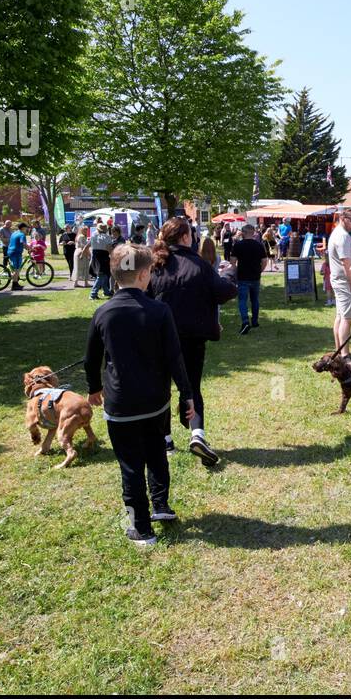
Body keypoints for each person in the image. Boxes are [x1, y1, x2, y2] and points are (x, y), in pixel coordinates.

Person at [85, 244, 195, 546]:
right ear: (145, 274)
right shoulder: (160, 310)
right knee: (157, 455)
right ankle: (159, 506)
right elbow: (176, 358)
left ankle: (142, 526)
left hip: (121, 405)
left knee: (131, 465)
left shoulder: (103, 311)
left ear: (112, 272)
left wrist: (93, 387)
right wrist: (187, 395)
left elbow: (90, 358)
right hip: (154, 402)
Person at [147, 217, 238, 468]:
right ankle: (197, 434)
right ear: (186, 238)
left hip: (160, 336)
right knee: (191, 386)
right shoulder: (198, 265)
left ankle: (165, 440)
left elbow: (141, 296)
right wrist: (230, 273)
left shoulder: (155, 265)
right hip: (191, 337)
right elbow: (225, 291)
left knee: (162, 387)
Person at [328, 207, 351, 358]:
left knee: (341, 317)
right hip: (345, 282)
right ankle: (345, 355)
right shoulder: (343, 236)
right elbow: (345, 263)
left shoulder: (339, 233)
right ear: (342, 218)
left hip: (340, 280)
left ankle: (340, 352)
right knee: (347, 319)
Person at [229, 224, 268, 334]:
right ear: (253, 233)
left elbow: (232, 261)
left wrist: (236, 269)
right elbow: (265, 261)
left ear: (243, 233)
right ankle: (255, 321)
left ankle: (245, 321)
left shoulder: (238, 245)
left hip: (242, 276)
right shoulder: (259, 245)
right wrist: (259, 270)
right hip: (255, 276)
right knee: (254, 299)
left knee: (242, 300)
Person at [89, 222, 114, 299]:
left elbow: (89, 245)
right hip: (103, 257)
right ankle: (93, 294)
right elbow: (109, 248)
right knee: (101, 275)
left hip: (95, 256)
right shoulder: (107, 237)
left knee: (104, 275)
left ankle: (106, 291)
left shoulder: (93, 236)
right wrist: (113, 255)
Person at [6, 221, 28, 291]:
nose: (26, 230)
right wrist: (30, 248)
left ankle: (16, 283)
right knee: (17, 269)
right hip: (16, 253)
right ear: (23, 228)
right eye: (26, 229)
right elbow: (23, 243)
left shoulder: (14, 233)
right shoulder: (22, 234)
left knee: (15, 269)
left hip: (10, 251)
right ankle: (14, 285)